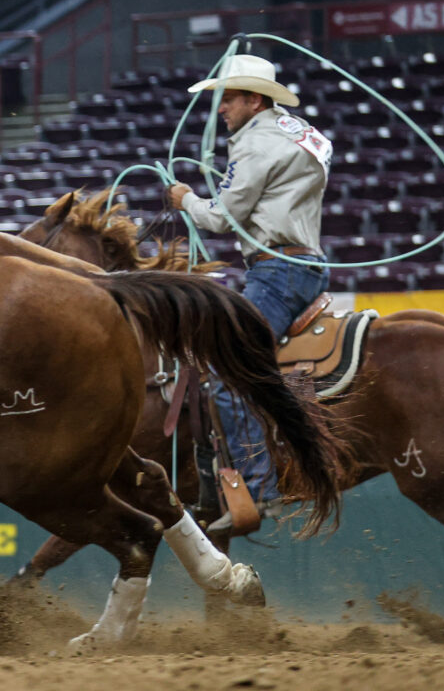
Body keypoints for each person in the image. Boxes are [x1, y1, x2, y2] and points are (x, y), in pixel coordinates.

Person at [166, 53, 332, 533]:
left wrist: (185, 200)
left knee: (225, 374)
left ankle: (260, 493)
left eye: (228, 99)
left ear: (253, 99)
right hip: (301, 263)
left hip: (276, 270)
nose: (221, 109)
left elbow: (220, 219)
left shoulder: (255, 145)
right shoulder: (296, 131)